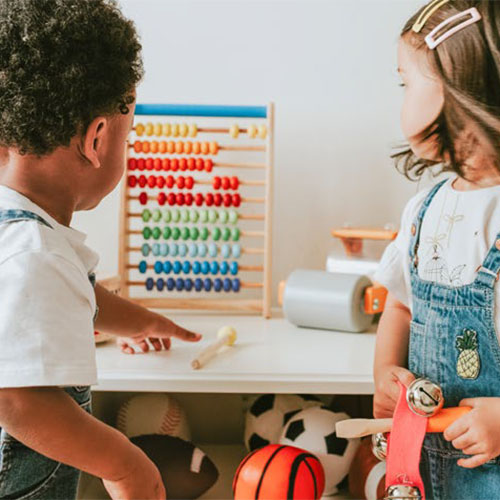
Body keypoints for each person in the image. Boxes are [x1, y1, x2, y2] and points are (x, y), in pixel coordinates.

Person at [0, 1, 201, 499]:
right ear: (97, 139)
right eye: (127, 139)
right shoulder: (36, 255)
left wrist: (141, 321)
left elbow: (67, 296)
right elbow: (16, 399)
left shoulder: (23, 237)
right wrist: (126, 464)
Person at [373, 1, 500, 498]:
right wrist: (384, 373)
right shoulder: (423, 210)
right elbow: (400, 305)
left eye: (407, 83)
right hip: (422, 465)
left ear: (461, 91)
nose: (401, 98)